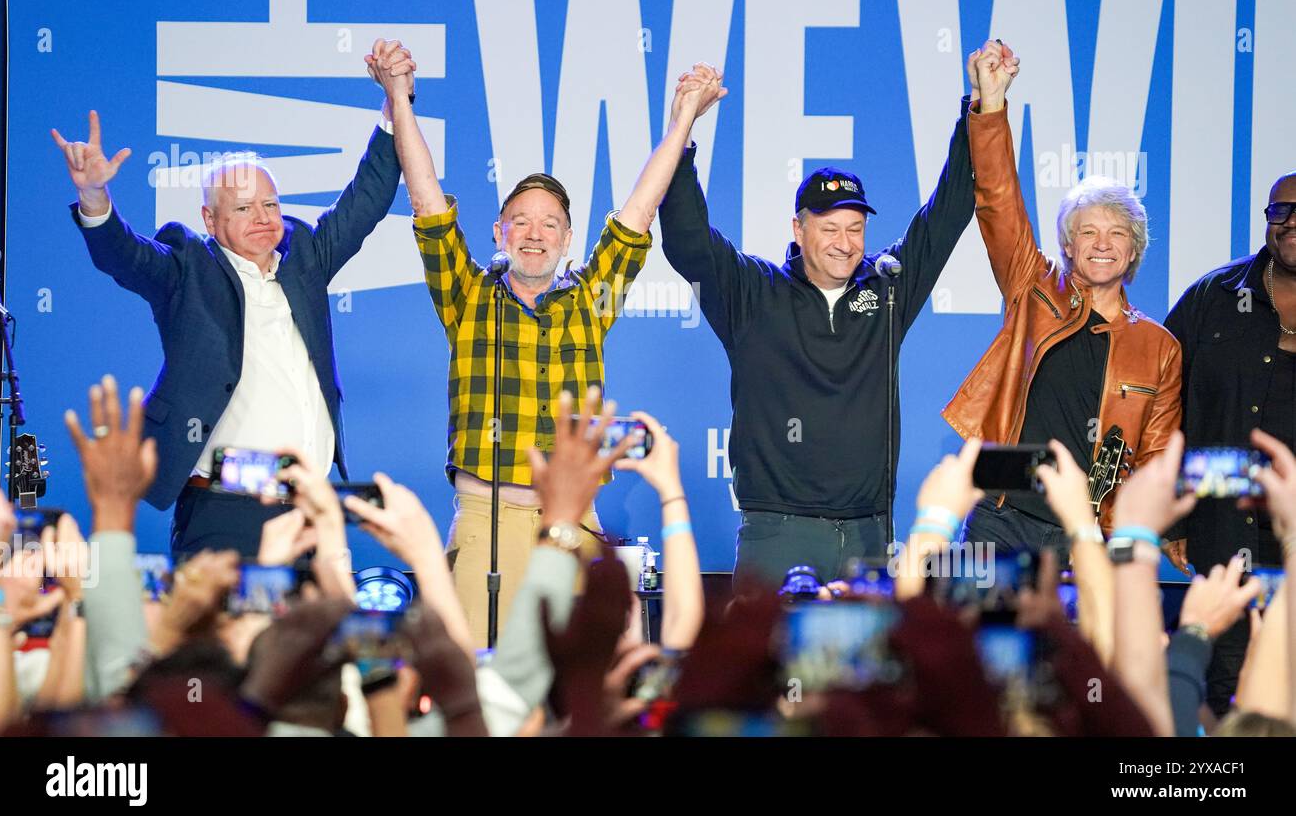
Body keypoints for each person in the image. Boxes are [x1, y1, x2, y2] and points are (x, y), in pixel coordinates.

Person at [396, 60, 726, 647]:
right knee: (472, 677)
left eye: (550, 224)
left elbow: (637, 214)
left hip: (573, 520)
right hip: (486, 521)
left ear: (567, 239)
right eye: (520, 221)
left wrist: (683, 122)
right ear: (498, 232)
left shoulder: (592, 301)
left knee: (589, 679)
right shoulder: (468, 296)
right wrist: (399, 97)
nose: (534, 233)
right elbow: (427, 204)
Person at [51, 40, 416, 557]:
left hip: (312, 509)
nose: (264, 218)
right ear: (210, 219)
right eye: (244, 209)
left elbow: (367, 199)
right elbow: (123, 255)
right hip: (226, 510)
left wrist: (394, 103)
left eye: (271, 204)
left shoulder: (305, 258)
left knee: (319, 616)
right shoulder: (186, 269)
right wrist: (94, 196)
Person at [659, 62, 977, 594]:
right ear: (798, 228)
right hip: (777, 532)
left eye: (855, 228)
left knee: (872, 654)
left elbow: (947, 213)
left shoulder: (887, 286)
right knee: (761, 652)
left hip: (871, 532)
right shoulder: (752, 292)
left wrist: (980, 109)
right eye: (829, 228)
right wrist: (683, 133)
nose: (845, 243)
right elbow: (687, 240)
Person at [945, 40, 1181, 559]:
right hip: (1003, 517)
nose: (1102, 244)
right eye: (1087, 232)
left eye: (1117, 233)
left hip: (1087, 534)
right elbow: (998, 200)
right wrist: (991, 105)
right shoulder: (1034, 288)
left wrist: (1123, 536)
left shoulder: (1158, 347)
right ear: (1068, 245)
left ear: (1134, 249)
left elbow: (1157, 456)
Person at [1161, 170, 1296, 714]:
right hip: (1222, 532)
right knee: (1224, 691)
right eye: (1280, 210)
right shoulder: (1213, 297)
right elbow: (1162, 406)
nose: (1292, 222)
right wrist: (1172, 518)